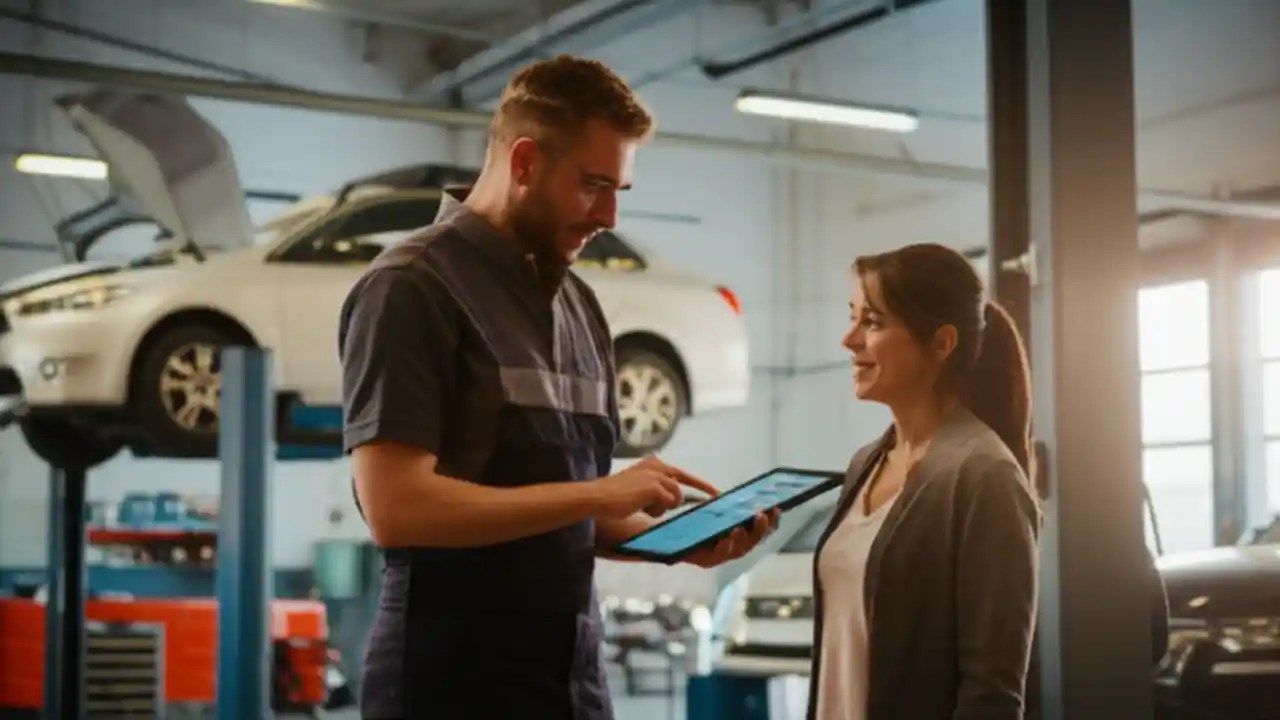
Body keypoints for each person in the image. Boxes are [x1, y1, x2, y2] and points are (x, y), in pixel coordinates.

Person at [338, 55, 776, 720]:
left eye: (619, 191)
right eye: (592, 185)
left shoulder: (581, 308)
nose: (607, 214)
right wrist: (600, 492)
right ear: (523, 163)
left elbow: (566, 511)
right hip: (451, 679)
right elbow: (396, 507)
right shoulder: (411, 288)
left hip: (570, 677)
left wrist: (675, 543)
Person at [807, 243, 1042, 720]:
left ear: (941, 343)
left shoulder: (986, 478)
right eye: (852, 317)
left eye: (872, 323)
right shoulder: (865, 464)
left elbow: (992, 693)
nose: (848, 339)